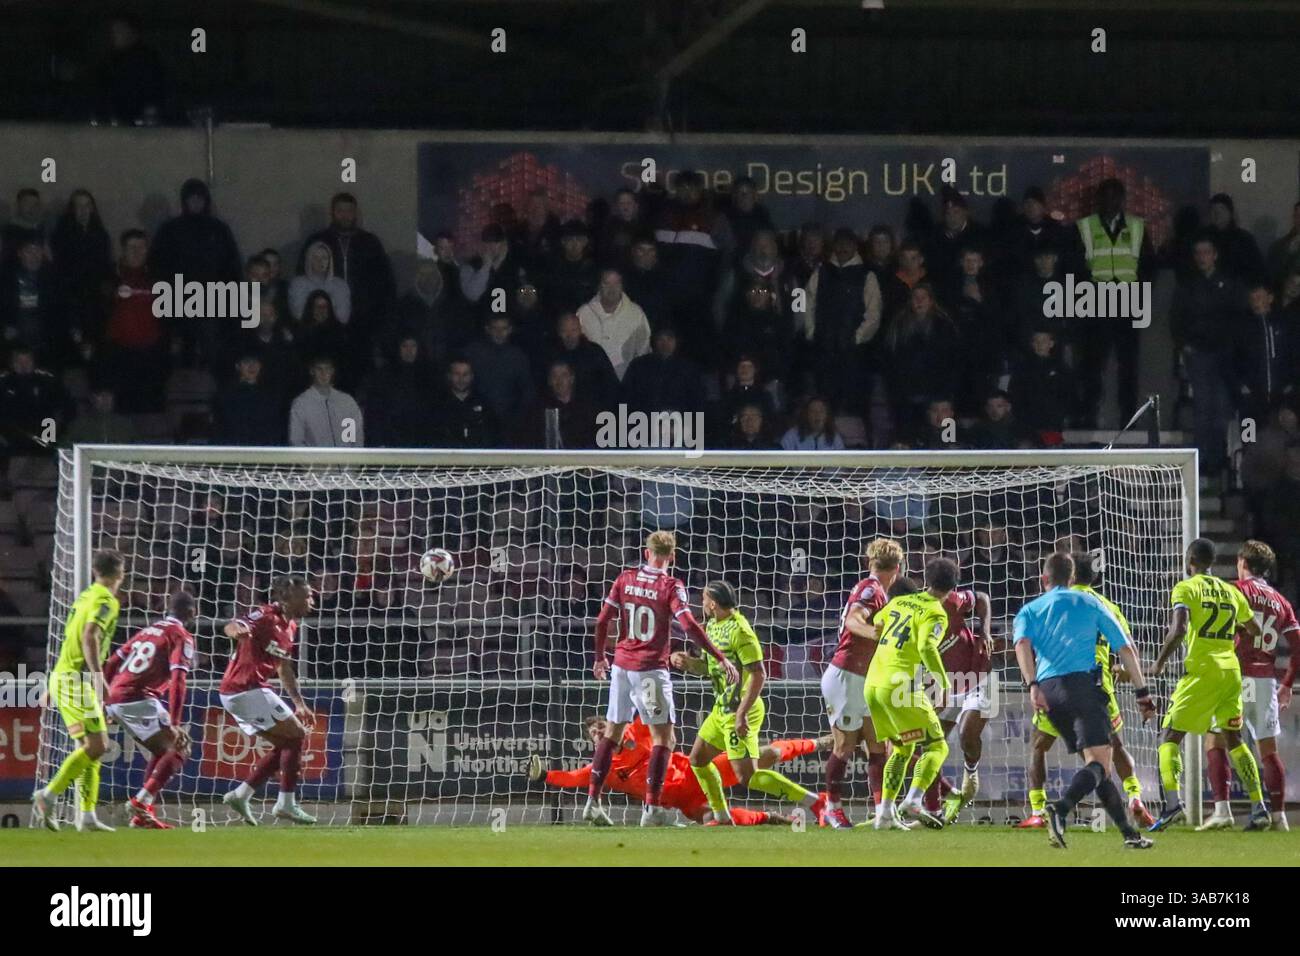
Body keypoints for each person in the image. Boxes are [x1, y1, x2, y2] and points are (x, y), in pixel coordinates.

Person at [584, 531, 738, 827]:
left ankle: (592, 801)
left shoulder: (625, 578)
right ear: (673, 556)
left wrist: (600, 657)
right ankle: (652, 809)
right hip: (650, 671)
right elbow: (688, 625)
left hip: (621, 665)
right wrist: (719, 656)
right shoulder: (671, 585)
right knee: (664, 738)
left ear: (646, 553)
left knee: (613, 732)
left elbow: (603, 620)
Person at [1013, 551, 1156, 849]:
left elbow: (1022, 644)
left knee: (1095, 765)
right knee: (1101, 765)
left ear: (1044, 578)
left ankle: (1129, 835)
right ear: (1072, 578)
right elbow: (1126, 649)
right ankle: (1060, 810)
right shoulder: (1093, 602)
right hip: (1083, 687)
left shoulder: (1029, 609)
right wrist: (1142, 692)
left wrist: (1032, 685)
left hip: (1048, 693)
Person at [680, 581, 828, 825]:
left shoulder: (741, 631)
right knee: (698, 760)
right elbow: (709, 668)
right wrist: (688, 664)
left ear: (713, 603)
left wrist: (741, 713)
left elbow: (759, 674)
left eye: (704, 599)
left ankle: (816, 801)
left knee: (747, 776)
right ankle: (721, 816)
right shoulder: (711, 626)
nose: (702, 603)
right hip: (721, 709)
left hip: (740, 709)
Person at [1147, 539, 1267, 831]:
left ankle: (1173, 805)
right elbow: (1255, 630)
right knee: (1234, 739)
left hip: (1202, 670)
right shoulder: (1230, 590)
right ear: (1212, 562)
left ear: (1189, 560)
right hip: (1230, 670)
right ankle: (1259, 807)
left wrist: (1159, 663)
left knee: (1169, 736)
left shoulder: (1186, 588)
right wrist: (1230, 640)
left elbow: (1179, 629)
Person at [534, 715, 817, 826]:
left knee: (758, 760)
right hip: (684, 801)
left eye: (601, 728)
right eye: (594, 735)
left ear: (614, 727)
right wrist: (543, 775)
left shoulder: (638, 729)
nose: (599, 735)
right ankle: (771, 818)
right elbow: (573, 777)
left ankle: (813, 744)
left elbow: (655, 714)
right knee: (714, 821)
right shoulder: (603, 768)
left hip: (696, 772)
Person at [1200, 540, 1299, 831]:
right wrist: (1287, 684)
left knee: (1216, 740)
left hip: (1234, 676)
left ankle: (1222, 809)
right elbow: (1297, 648)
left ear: (1243, 562)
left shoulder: (1235, 591)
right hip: (1266, 680)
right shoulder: (1281, 602)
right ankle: (1279, 817)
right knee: (1268, 750)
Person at [31, 550, 125, 832]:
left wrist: (52, 683)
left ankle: (86, 816)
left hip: (65, 676)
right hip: (77, 680)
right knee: (98, 746)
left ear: (95, 571)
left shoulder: (85, 596)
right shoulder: (106, 600)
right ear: (120, 573)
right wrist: (99, 678)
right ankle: (48, 795)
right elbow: (89, 636)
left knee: (92, 748)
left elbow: (69, 637)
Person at [220, 575, 319, 825]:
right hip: (244, 688)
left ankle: (241, 795)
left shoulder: (290, 626)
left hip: (247, 690)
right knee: (296, 735)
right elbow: (233, 625)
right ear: (286, 597)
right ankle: (285, 803)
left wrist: (298, 703)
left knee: (289, 743)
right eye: (306, 595)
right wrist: (237, 631)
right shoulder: (265, 616)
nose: (312, 599)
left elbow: (284, 667)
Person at [819, 538, 902, 828]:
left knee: (879, 747)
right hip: (846, 676)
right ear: (899, 569)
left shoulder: (879, 592)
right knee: (844, 747)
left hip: (865, 678)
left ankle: (883, 812)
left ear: (871, 562)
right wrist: (877, 634)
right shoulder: (870, 588)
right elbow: (855, 622)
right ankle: (832, 807)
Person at [865, 566, 953, 830]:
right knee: (938, 747)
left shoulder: (900, 600)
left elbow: (877, 624)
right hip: (900, 687)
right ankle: (913, 801)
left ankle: (885, 815)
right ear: (950, 589)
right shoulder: (936, 611)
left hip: (873, 685)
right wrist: (944, 683)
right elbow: (927, 646)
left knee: (903, 748)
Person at [103, 590, 197, 829]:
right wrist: (175, 722)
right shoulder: (181, 636)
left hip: (117, 696)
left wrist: (103, 701)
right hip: (138, 697)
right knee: (180, 746)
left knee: (160, 750)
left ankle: (142, 816)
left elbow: (113, 662)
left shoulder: (148, 630)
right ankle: (141, 801)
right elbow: (178, 680)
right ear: (191, 612)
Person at [1072, 178, 1152, 428]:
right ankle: (1087, 415)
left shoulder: (1137, 227)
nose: (1110, 202)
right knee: (1092, 363)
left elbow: (1148, 265)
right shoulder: (1085, 227)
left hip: (1127, 302)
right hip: (1096, 300)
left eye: (1115, 197)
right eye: (1105, 197)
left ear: (1122, 200)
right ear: (1099, 200)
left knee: (1128, 364)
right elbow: (1075, 265)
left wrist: (1138, 292)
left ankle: (1129, 417)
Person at [1170, 236, 1244, 484]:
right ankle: (1203, 461)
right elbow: (1176, 319)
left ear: (1215, 255)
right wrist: (1185, 346)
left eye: (1206, 252)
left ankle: (1219, 460)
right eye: (1198, 252)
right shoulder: (1188, 285)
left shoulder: (1230, 284)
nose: (1202, 257)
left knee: (1222, 409)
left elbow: (1238, 317)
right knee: (1203, 408)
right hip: (1199, 354)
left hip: (1224, 355)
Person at [576, 268, 651, 380]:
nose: (612, 289)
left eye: (616, 283)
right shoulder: (583, 313)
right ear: (599, 286)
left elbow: (643, 351)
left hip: (627, 383)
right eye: (606, 283)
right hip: (592, 382)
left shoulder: (636, 314)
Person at [463, 314, 535, 425]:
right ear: (487, 329)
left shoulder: (518, 356)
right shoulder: (473, 353)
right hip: (477, 417)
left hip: (509, 419)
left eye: (504, 328)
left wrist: (519, 416)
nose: (499, 332)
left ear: (510, 329)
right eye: (495, 328)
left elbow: (527, 390)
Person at [288, 356, 365, 447]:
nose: (323, 374)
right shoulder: (301, 404)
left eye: (327, 369)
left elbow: (356, 436)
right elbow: (296, 440)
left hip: (345, 460)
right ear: (312, 371)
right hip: (316, 460)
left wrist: (352, 458)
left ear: (332, 371)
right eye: (319, 369)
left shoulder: (347, 402)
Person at [213, 353, 287, 445]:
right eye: (247, 362)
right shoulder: (225, 395)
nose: (252, 366)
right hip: (235, 447)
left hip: (263, 448)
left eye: (255, 362)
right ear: (238, 366)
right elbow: (221, 427)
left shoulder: (270, 394)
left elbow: (275, 426)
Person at [431, 358, 500, 448]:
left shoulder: (484, 404)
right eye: (457, 374)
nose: (461, 379)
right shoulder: (438, 405)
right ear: (449, 376)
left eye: (465, 374)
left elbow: (492, 435)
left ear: (472, 376)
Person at [289, 241, 352, 325]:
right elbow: (298, 313)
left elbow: (343, 316)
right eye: (316, 258)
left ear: (330, 260)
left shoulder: (340, 285)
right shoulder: (298, 284)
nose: (320, 261)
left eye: (324, 258)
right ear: (309, 260)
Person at [780, 395, 844, 451]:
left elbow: (842, 461)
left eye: (821, 411)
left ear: (827, 415)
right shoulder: (791, 436)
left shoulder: (835, 437)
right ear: (806, 414)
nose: (817, 414)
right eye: (813, 411)